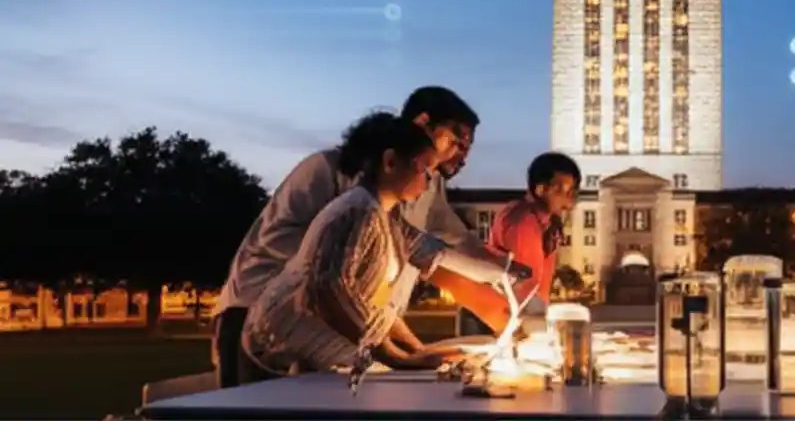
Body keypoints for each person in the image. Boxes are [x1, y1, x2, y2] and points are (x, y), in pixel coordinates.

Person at [212, 86, 525, 388]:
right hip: (266, 321)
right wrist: (391, 351)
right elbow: (331, 278)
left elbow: (437, 247)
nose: (462, 157)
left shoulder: (410, 196)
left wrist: (501, 272)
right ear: (421, 125)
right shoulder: (338, 184)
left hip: (340, 330)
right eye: (458, 141)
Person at [239, 112, 464, 382]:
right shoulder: (357, 212)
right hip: (284, 340)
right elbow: (331, 290)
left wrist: (416, 348)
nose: (429, 183)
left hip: (312, 343)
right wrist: (396, 357)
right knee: (384, 383)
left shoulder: (383, 217)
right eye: (424, 171)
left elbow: (372, 301)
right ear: (390, 162)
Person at [430, 152, 582, 335]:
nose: (569, 199)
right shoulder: (523, 222)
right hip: (495, 319)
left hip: (514, 316)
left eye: (572, 192)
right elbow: (523, 286)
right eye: (561, 191)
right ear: (541, 189)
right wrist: (537, 327)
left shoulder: (549, 223)